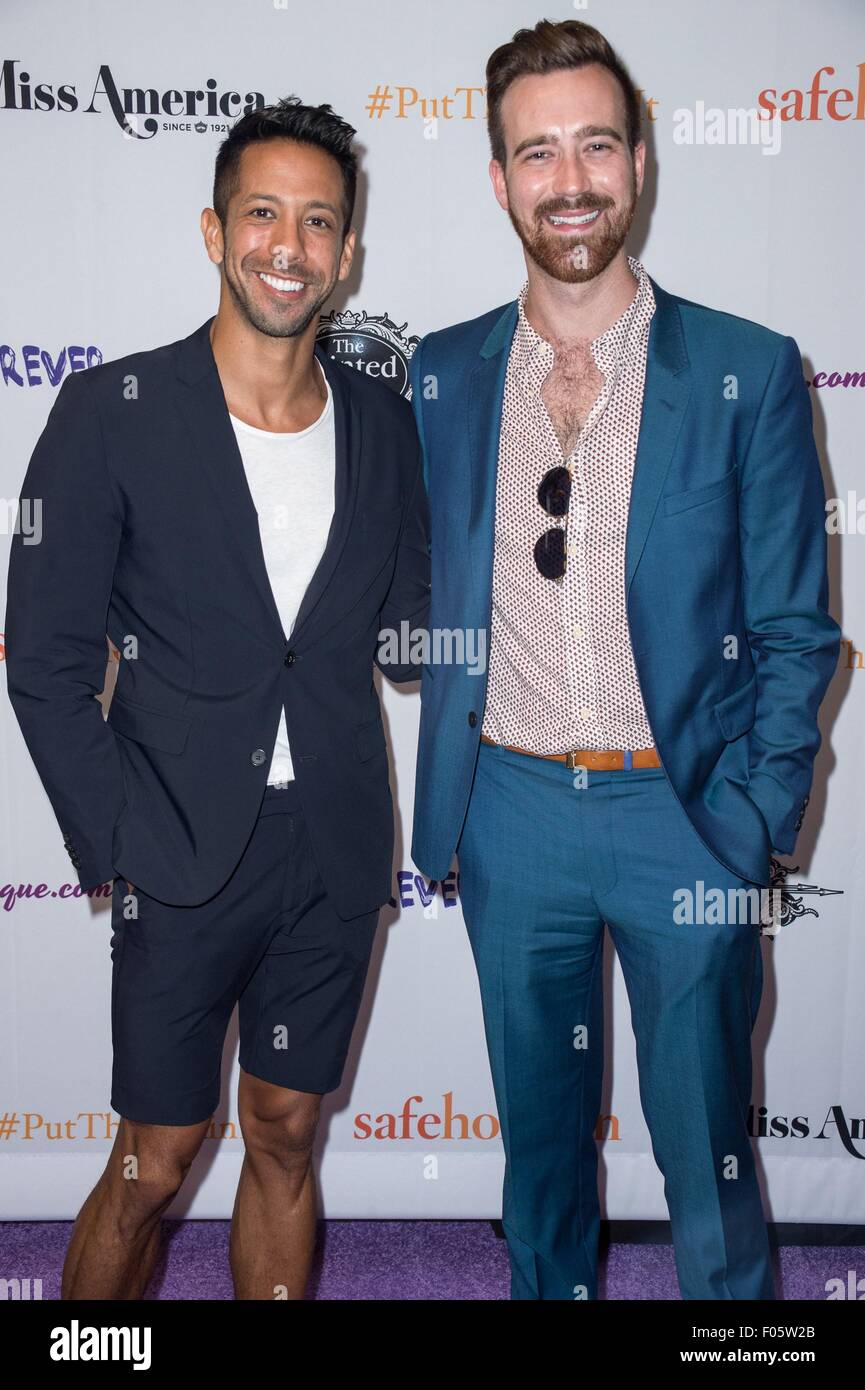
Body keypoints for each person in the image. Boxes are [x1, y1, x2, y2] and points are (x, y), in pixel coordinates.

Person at [408, 19, 839, 1300]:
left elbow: (795, 627)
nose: (570, 179)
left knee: (708, 1160)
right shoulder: (440, 375)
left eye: (595, 143)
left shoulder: (746, 371)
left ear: (639, 160)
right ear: (498, 179)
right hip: (512, 812)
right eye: (536, 153)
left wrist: (753, 817)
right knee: (538, 1161)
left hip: (683, 812)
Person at [5, 96, 430, 1300]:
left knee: (289, 1132)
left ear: (347, 254)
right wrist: (120, 841)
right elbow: (40, 658)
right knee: (156, 1159)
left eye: (316, 222)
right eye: (262, 214)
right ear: (213, 230)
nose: (286, 245)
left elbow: (409, 639)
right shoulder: (111, 413)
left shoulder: (388, 428)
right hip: (175, 845)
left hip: (333, 849)